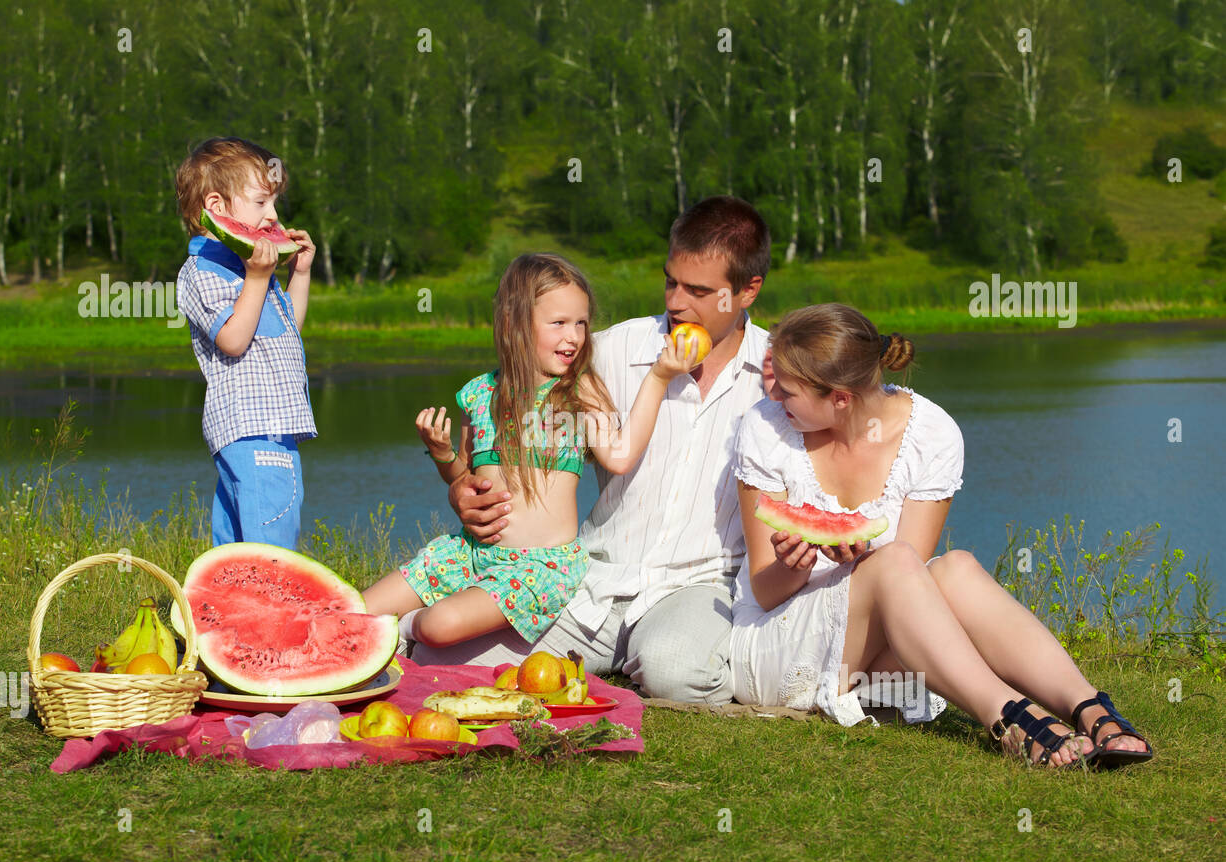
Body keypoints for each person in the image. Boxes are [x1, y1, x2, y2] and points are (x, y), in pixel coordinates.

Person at [730, 303, 1154, 768]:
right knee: (894, 562)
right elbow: (765, 593)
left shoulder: (931, 433)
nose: (775, 398)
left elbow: (916, 578)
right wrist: (797, 565)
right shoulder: (766, 429)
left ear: (840, 398)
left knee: (956, 568)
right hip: (778, 645)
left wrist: (864, 557)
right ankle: (1008, 717)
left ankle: (1088, 706)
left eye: (788, 392)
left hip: (888, 651)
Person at [433, 197, 772, 705]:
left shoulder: (777, 376)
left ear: (747, 291)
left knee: (673, 671)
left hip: (698, 586)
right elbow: (506, 413)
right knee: (445, 659)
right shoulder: (608, 350)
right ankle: (623, 659)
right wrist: (462, 482)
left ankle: (723, 659)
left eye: (698, 291)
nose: (676, 303)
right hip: (590, 578)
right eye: (670, 282)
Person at [361, 253, 700, 652]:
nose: (573, 336)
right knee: (357, 607)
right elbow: (464, 481)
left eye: (581, 324)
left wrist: (659, 376)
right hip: (468, 553)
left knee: (438, 626)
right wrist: (441, 454)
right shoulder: (480, 393)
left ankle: (402, 632)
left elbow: (620, 456)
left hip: (537, 569)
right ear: (514, 324)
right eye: (558, 323)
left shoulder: (580, 392)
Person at [175, 137, 317, 549]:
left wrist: (300, 274)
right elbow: (234, 340)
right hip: (254, 429)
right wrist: (257, 278)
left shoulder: (252, 267)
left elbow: (287, 329)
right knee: (270, 549)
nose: (273, 217)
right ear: (217, 207)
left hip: (272, 430)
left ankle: (221, 614)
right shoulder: (204, 272)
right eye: (260, 203)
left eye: (275, 204)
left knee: (237, 548)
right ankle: (268, 615)